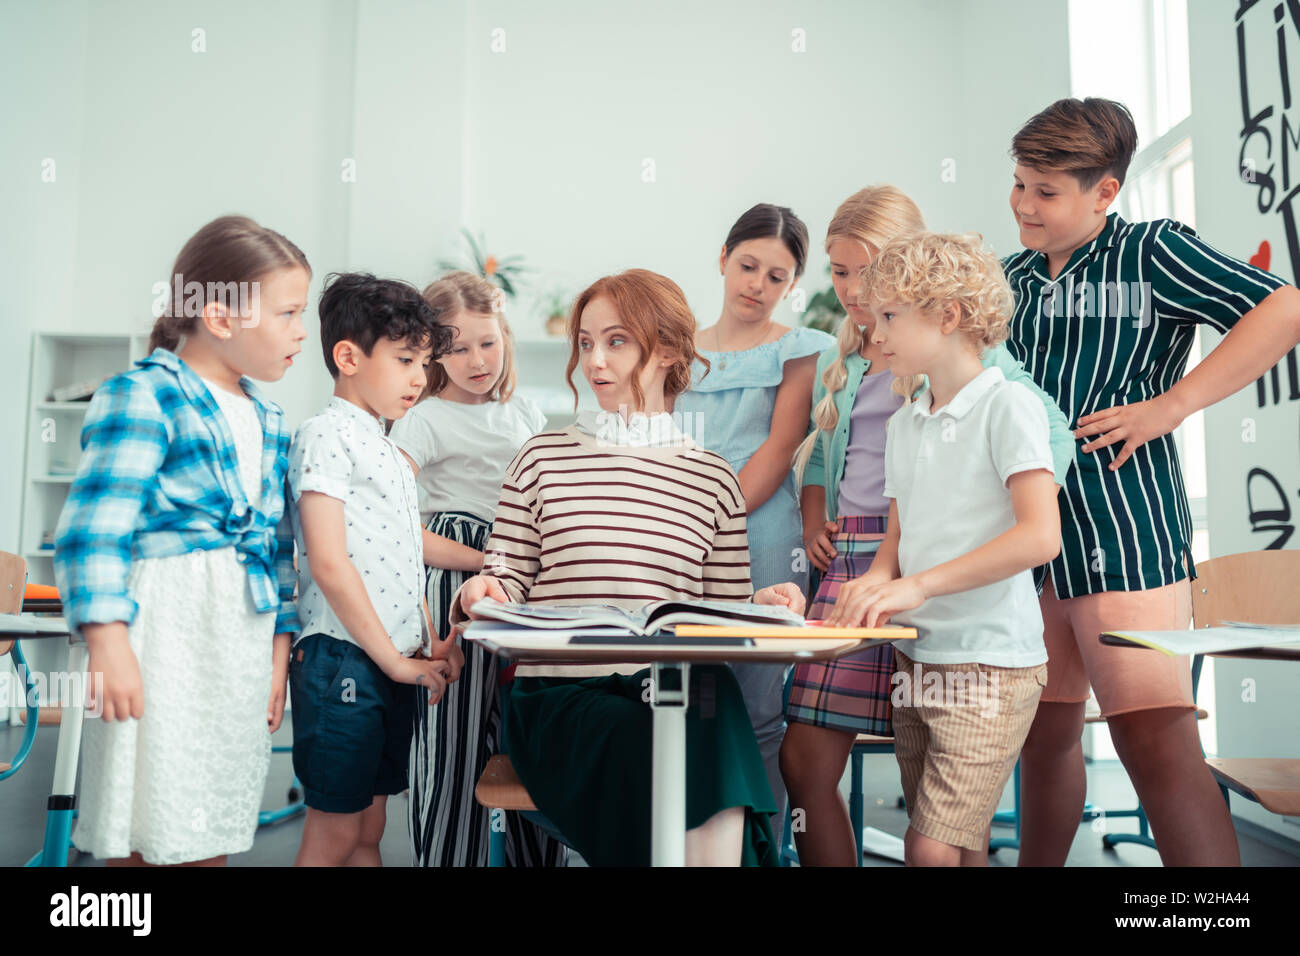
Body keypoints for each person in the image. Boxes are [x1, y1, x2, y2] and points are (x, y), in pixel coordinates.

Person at [1002, 97, 1300, 866]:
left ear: (1105, 192)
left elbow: (1282, 307)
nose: (1025, 206)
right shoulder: (1012, 279)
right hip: (1026, 535)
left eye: (1046, 191)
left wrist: (1170, 406)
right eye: (1020, 184)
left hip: (1124, 526)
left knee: (1151, 737)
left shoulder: (1154, 250)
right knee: (1046, 735)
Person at [452, 268, 806, 866]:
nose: (595, 361)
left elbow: (718, 619)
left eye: (616, 341)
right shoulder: (540, 458)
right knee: (666, 742)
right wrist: (487, 586)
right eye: (586, 343)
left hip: (675, 686)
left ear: (666, 350)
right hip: (563, 697)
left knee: (710, 709)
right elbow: (508, 574)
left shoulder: (712, 477)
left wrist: (760, 607)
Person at [782, 185, 1075, 865]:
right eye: (842, 274)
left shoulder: (1002, 399)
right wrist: (867, 559)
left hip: (979, 642)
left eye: (885, 306)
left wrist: (928, 567)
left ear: (945, 312)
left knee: (934, 839)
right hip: (898, 617)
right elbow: (885, 506)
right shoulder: (897, 403)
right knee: (942, 831)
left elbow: (1039, 523)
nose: (866, 319)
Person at [53, 215, 310, 865]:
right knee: (147, 815)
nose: (301, 332)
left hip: (239, 640)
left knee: (210, 822)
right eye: (286, 314)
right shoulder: (144, 395)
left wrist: (278, 653)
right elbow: (93, 531)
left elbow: (277, 547)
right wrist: (108, 641)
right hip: (165, 632)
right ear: (221, 318)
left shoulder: (271, 418)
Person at [287, 272, 461, 867]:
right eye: (406, 359)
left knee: (370, 830)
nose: (420, 377)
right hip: (344, 659)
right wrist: (392, 659)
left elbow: (404, 548)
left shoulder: (385, 446)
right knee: (333, 834)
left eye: (425, 362)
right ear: (348, 357)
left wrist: (428, 641)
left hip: (390, 659)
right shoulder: (325, 435)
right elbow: (331, 564)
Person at [388, 270, 557, 867]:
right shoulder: (423, 417)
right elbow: (398, 527)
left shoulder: (525, 413)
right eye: (457, 347)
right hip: (454, 578)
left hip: (522, 582)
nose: (476, 359)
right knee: (455, 739)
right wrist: (487, 557)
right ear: (435, 351)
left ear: (504, 335)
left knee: (527, 731)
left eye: (487, 342)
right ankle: (448, 857)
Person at [674, 202, 834, 827]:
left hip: (764, 539)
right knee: (679, 698)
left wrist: (706, 524)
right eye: (748, 266)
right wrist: (678, 527)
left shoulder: (801, 350)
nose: (757, 285)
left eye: (776, 276)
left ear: (792, 286)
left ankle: (761, 846)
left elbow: (776, 451)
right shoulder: (673, 346)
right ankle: (686, 842)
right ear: (722, 259)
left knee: (761, 708)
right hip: (675, 539)